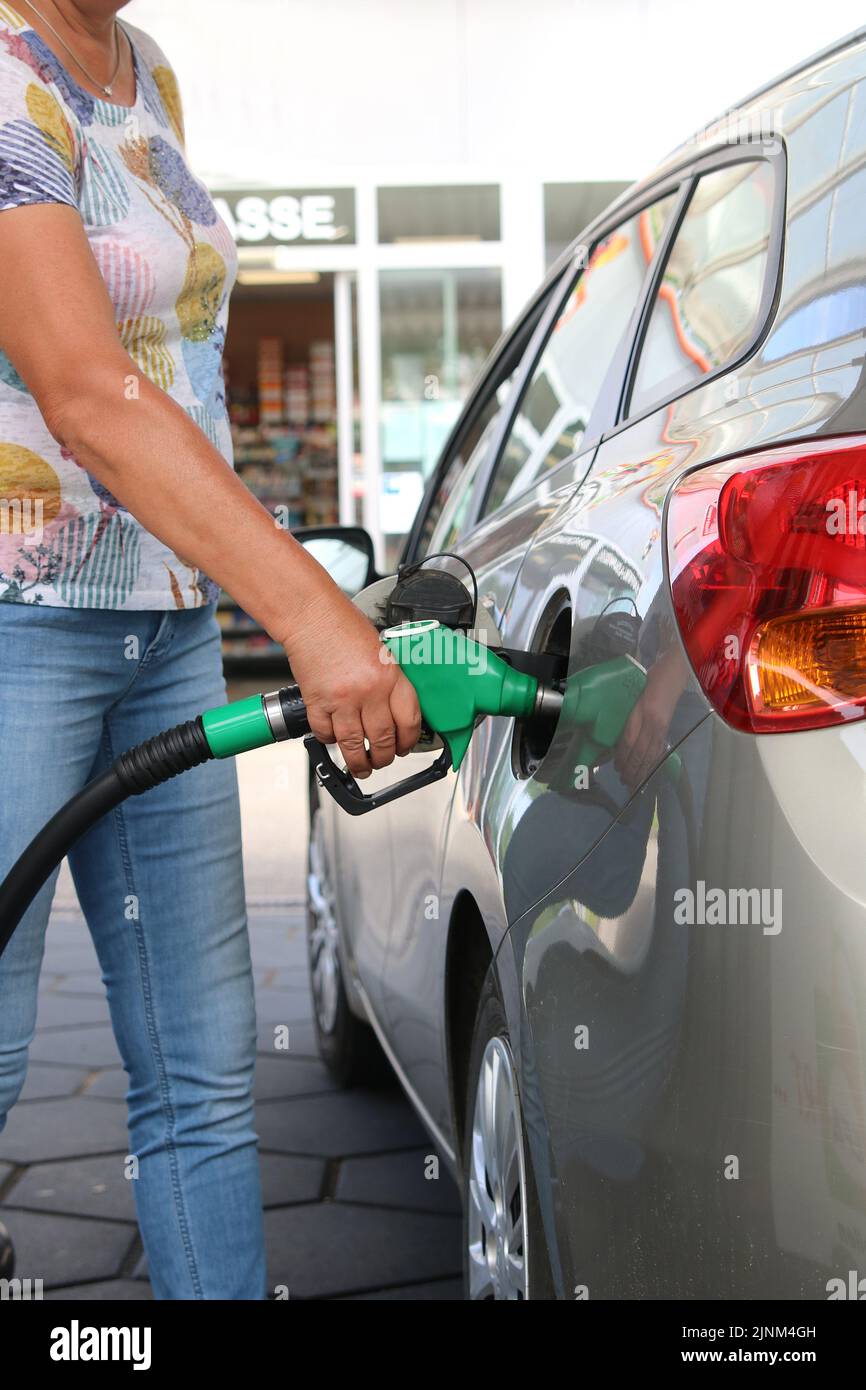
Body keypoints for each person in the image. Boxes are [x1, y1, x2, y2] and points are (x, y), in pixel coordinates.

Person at [0, 0, 420, 1299]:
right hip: (17, 622)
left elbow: (170, 366)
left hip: (166, 621)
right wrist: (309, 608)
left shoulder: (147, 75)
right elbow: (83, 388)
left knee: (201, 1065)